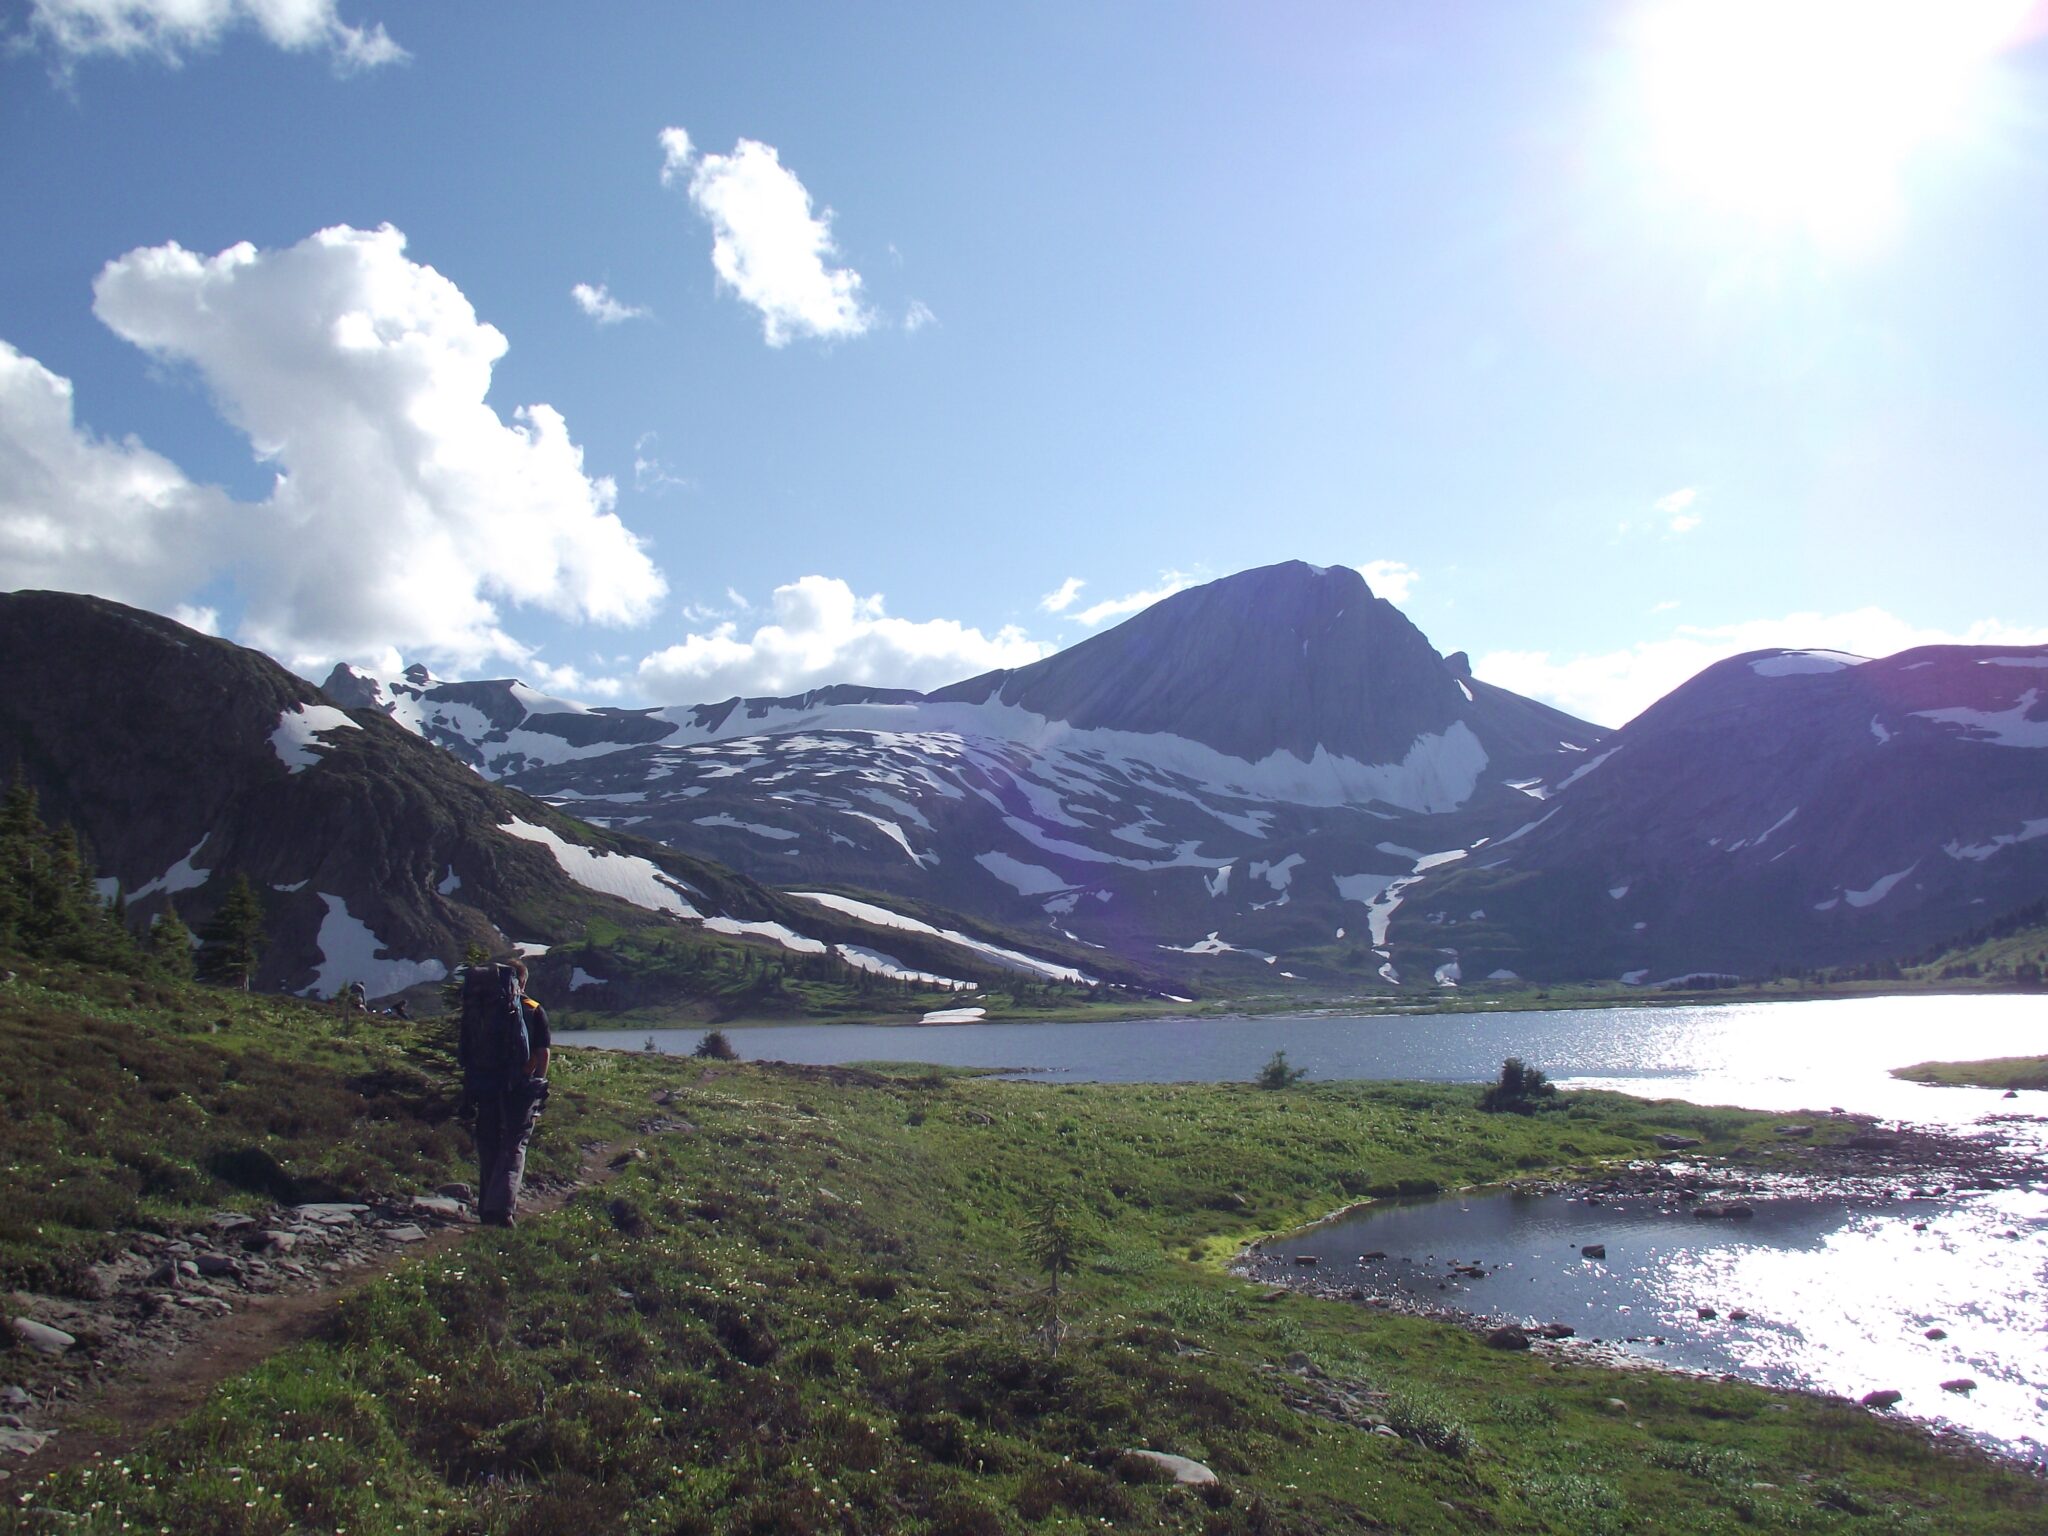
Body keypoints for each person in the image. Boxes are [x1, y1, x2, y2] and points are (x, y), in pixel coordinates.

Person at [471, 957, 550, 1227]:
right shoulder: (533, 1008)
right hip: (519, 1085)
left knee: (489, 1141)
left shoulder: (482, 1007)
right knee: (515, 1144)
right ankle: (502, 1210)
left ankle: (485, 1207)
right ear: (523, 981)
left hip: (485, 1082)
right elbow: (543, 1053)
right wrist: (538, 1082)